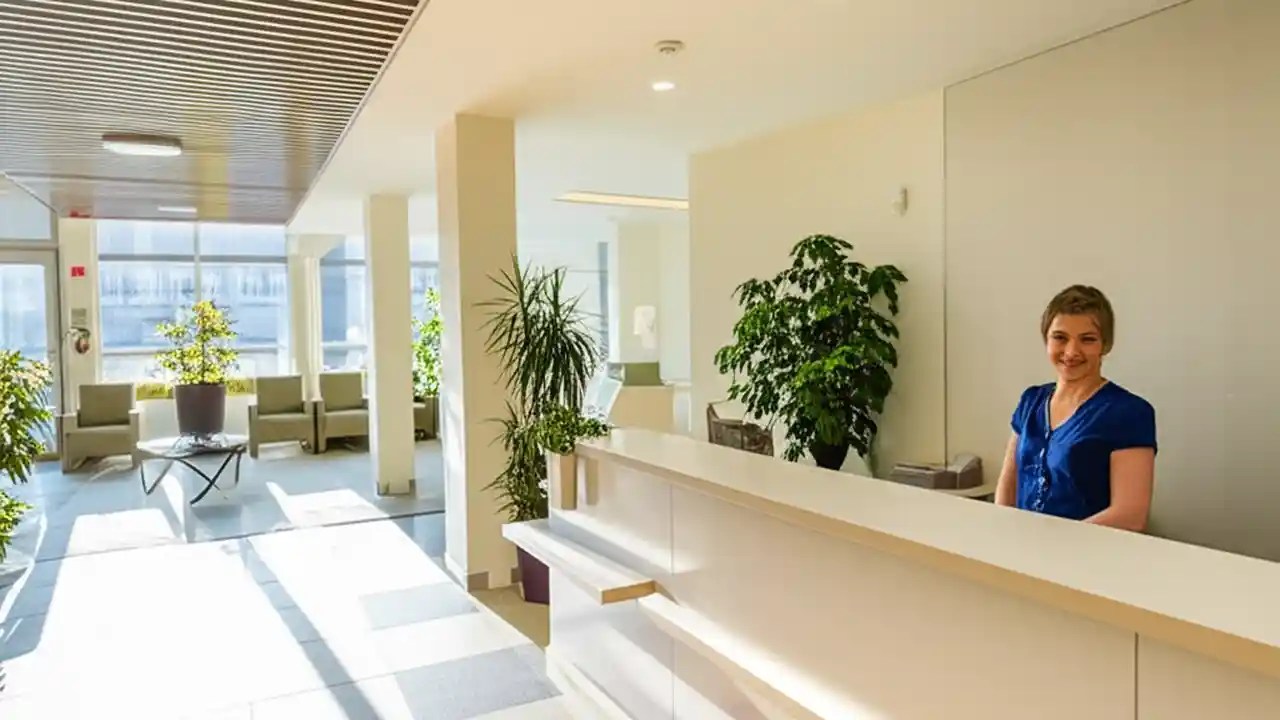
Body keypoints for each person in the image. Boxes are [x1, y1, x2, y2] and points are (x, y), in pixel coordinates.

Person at [994, 285, 1156, 530]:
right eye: (1060, 337)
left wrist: (1052, 544)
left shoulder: (1129, 413)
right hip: (1022, 554)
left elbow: (1130, 515)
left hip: (1090, 559)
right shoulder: (1031, 401)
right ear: (1046, 339)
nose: (1071, 352)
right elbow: (1008, 487)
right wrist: (1005, 537)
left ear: (1105, 345)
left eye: (1087, 339)